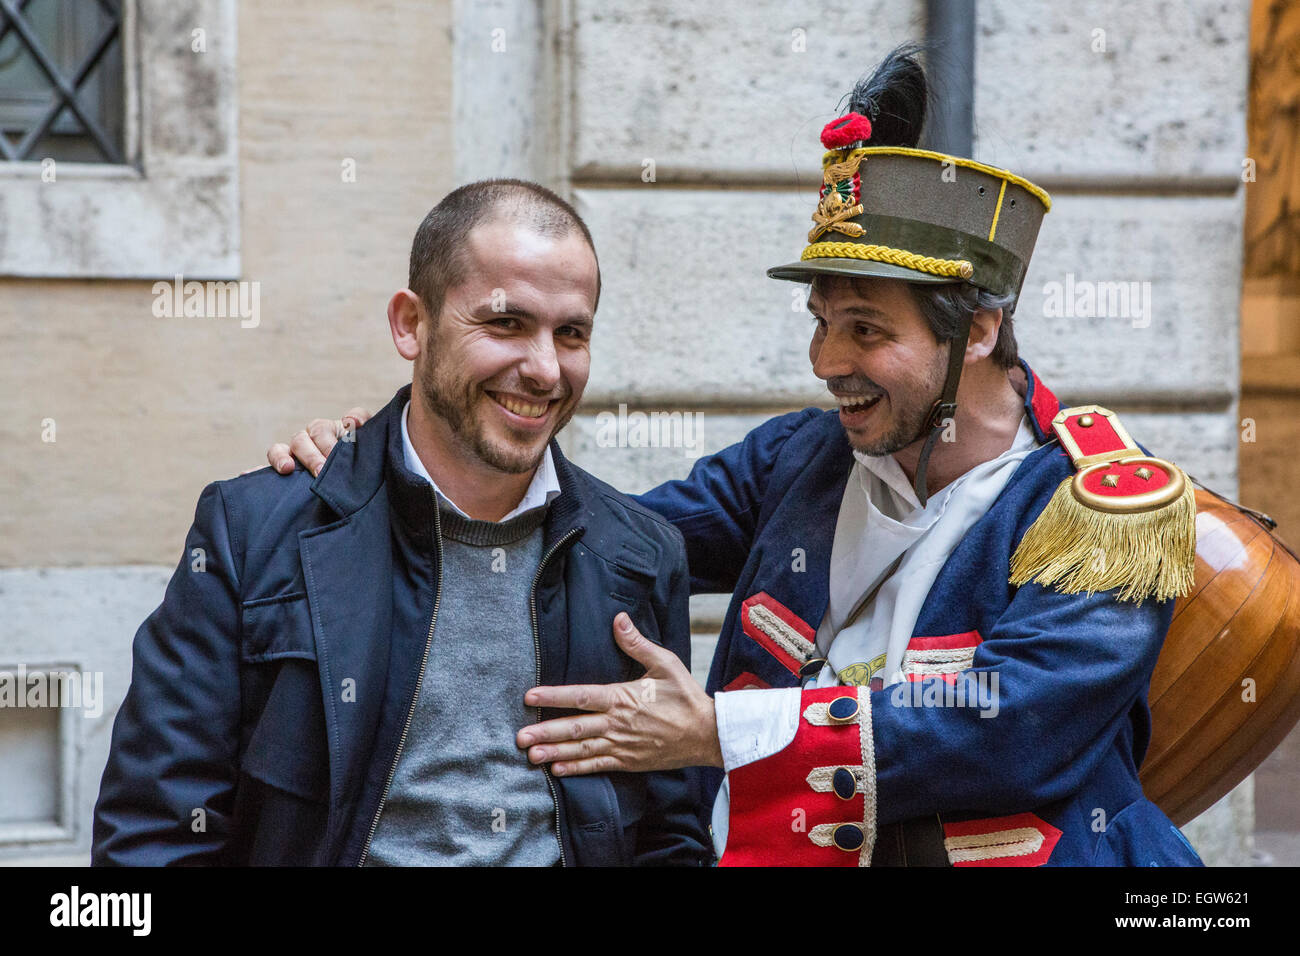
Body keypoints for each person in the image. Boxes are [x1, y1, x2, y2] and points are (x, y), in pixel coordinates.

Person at [271, 50, 1204, 866]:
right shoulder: (802, 457)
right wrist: (399, 464)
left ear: (981, 329)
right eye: (823, 323)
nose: (828, 361)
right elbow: (595, 542)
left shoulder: (1103, 508)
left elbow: (1011, 730)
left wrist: (718, 733)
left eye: (867, 330)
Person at [92, 179, 711, 866]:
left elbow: (670, 837)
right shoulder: (254, 533)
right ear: (411, 325)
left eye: (571, 334)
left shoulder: (641, 557)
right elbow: (155, 837)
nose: (544, 369)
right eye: (506, 323)